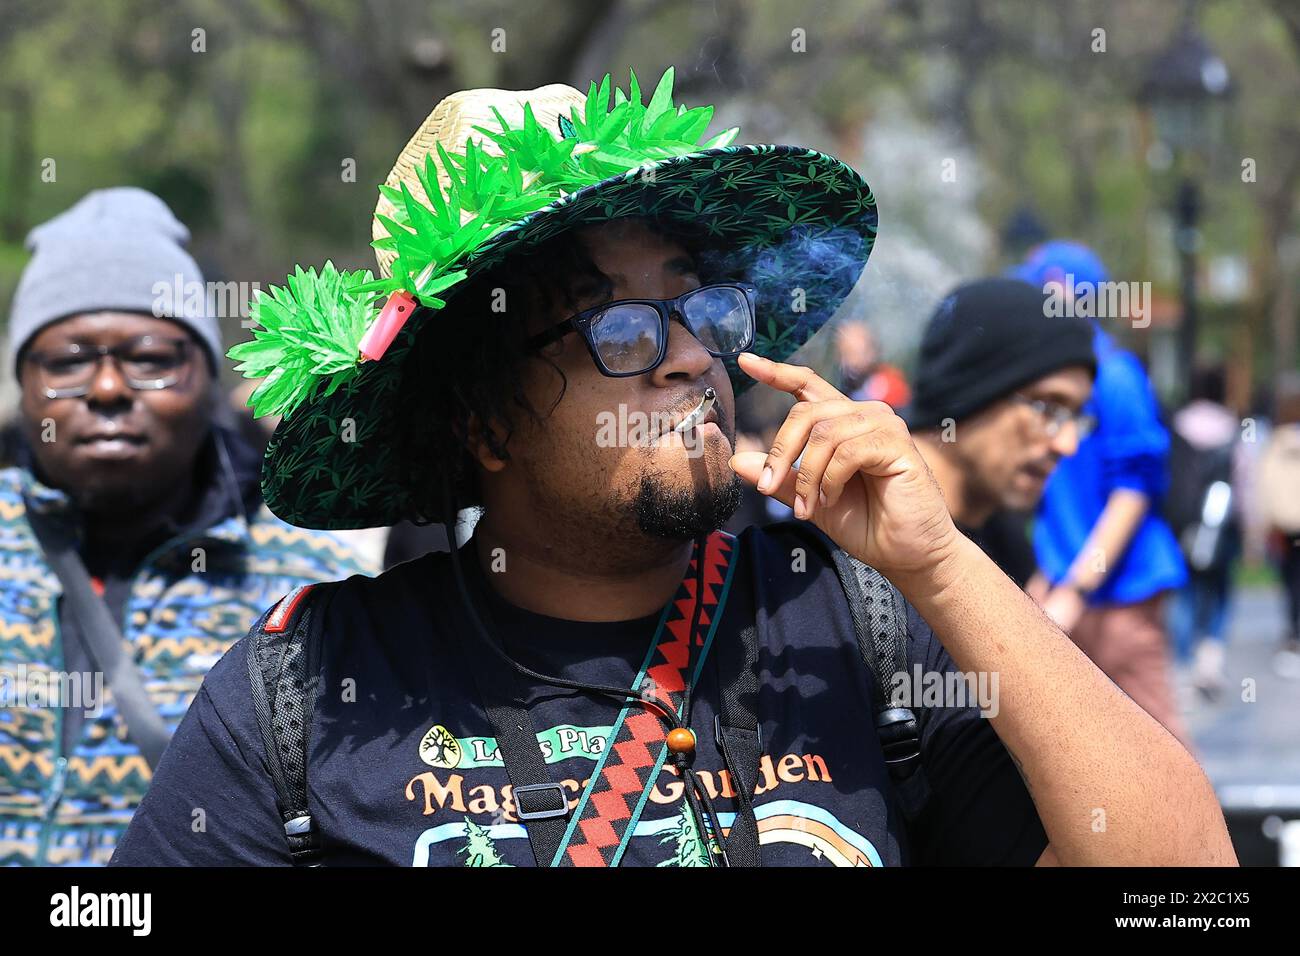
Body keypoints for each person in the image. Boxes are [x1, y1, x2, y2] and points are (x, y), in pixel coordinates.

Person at [114, 69, 1233, 867]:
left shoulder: (862, 628)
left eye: (699, 306)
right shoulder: (308, 692)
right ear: (482, 419)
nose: (695, 355)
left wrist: (938, 563)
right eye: (619, 330)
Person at [0, 187, 376, 866]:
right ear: (22, 382)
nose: (108, 388)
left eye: (149, 359)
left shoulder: (317, 585)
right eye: (67, 362)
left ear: (207, 378)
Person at [1012, 241, 1191, 746]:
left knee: (1160, 749)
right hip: (1070, 591)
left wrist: (1076, 589)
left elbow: (1132, 493)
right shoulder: (1051, 382)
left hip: (1121, 596)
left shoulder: (1115, 376)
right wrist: (1051, 577)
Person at [906, 278, 1095, 587]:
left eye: (1076, 415)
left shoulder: (1012, 560)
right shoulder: (845, 550)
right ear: (967, 393)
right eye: (1047, 407)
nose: (1068, 444)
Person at [1166, 365, 1243, 698]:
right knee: (1221, 592)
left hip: (1182, 524)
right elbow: (1245, 483)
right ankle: (1209, 662)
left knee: (1185, 595)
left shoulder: (1177, 423)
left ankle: (1182, 668)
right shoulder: (1232, 425)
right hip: (1223, 526)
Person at [1258, 375, 1300, 677]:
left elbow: (1266, 486)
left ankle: (1293, 633)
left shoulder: (1276, 442)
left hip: (1286, 525)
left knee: (1290, 581)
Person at [836, 320, 910, 409]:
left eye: (856, 352)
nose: (851, 360)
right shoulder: (843, 385)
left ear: (872, 350)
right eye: (846, 352)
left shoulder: (889, 381)